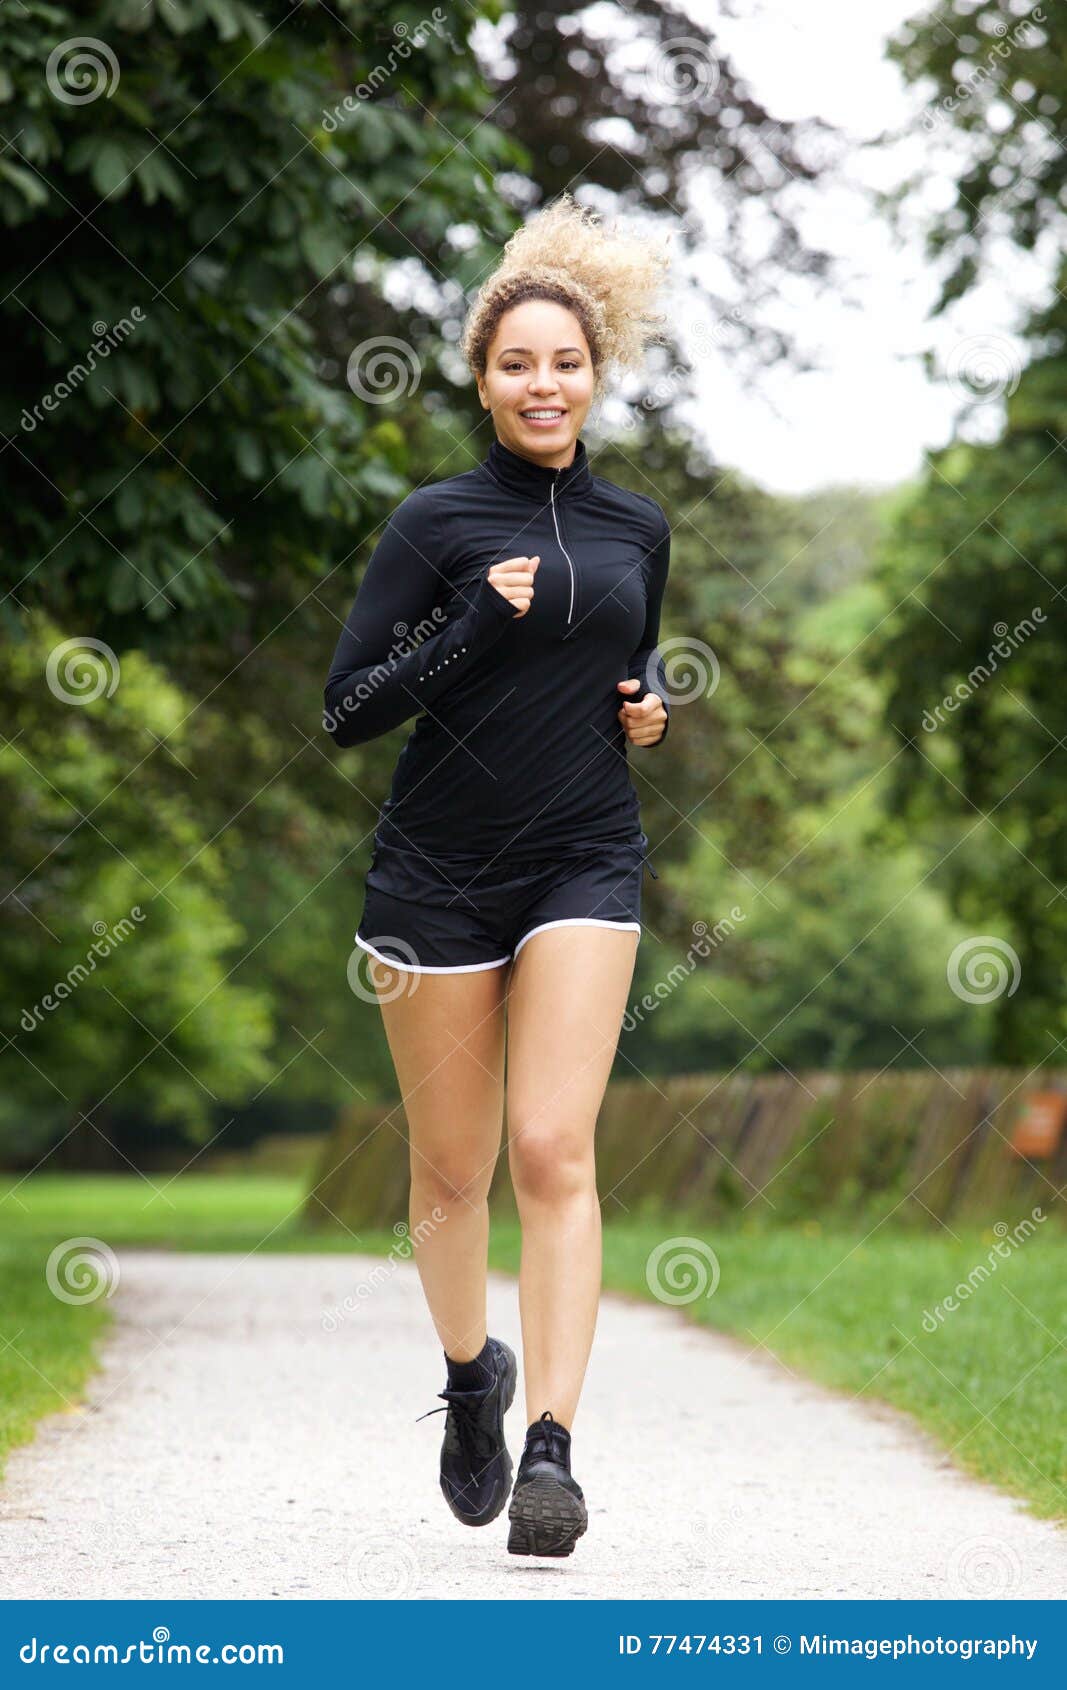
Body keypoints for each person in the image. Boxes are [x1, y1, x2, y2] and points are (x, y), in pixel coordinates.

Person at [323, 192, 673, 1559]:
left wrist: (647, 711)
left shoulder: (639, 527)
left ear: (596, 374)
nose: (544, 382)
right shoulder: (434, 521)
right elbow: (348, 708)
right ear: (483, 377)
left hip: (585, 853)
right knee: (453, 1167)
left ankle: (554, 1450)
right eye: (518, 363)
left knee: (551, 1145)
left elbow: (626, 674)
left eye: (566, 362)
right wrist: (471, 623)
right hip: (435, 873)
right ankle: (476, 1381)